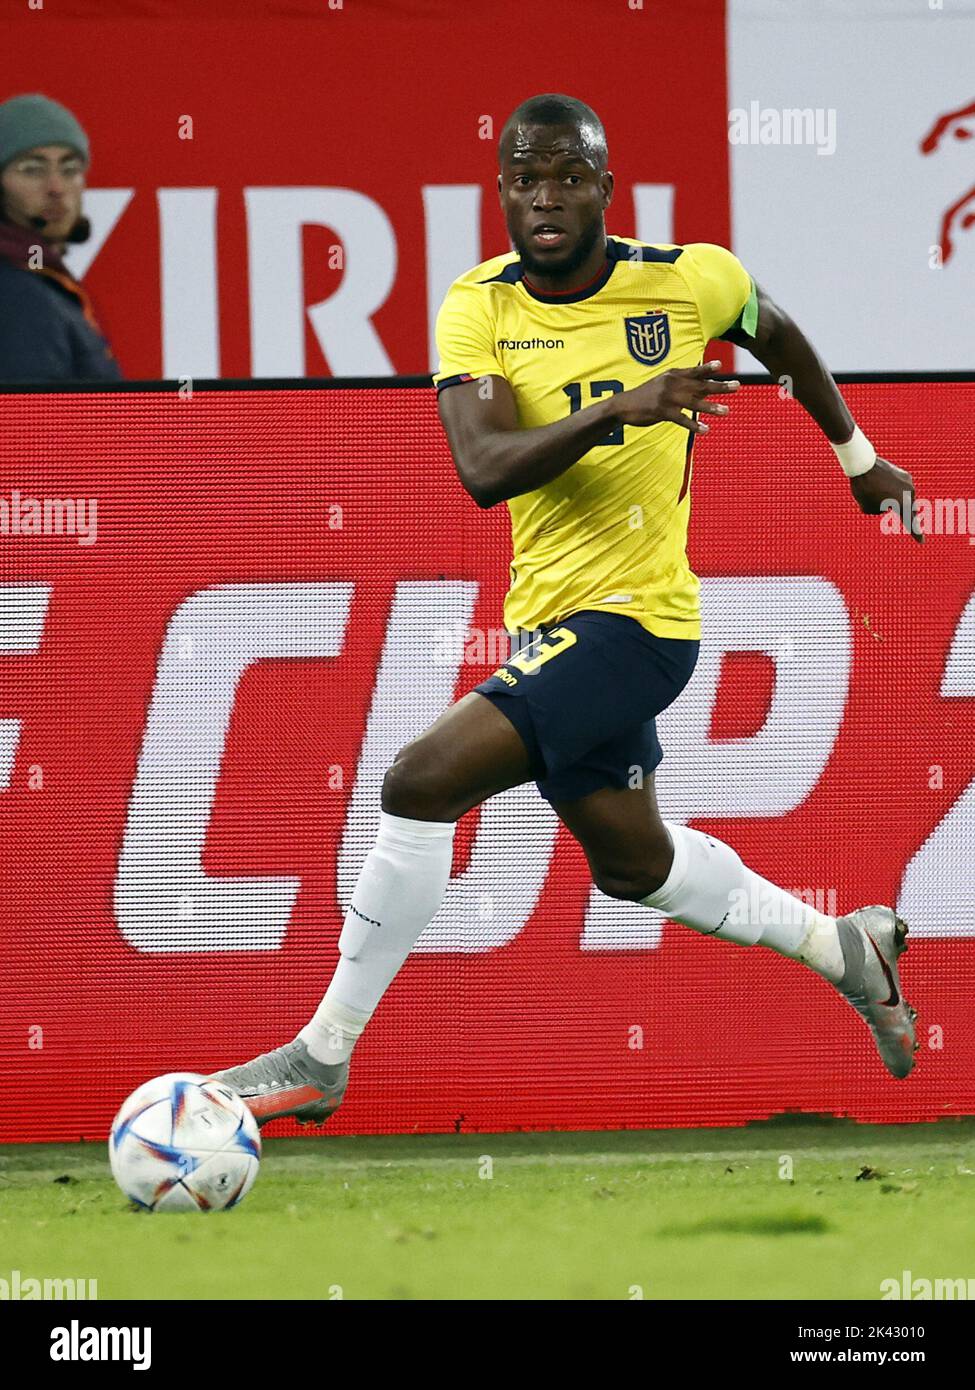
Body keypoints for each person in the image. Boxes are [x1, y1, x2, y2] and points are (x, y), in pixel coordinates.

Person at [213, 93, 920, 1125]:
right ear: (502, 191)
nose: (544, 199)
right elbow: (482, 468)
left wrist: (856, 458)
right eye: (524, 180)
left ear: (604, 188)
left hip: (641, 628)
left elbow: (782, 334)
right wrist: (614, 410)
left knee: (418, 782)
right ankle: (842, 945)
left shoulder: (687, 281)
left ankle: (322, 1056)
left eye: (567, 178)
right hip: (554, 621)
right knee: (639, 865)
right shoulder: (479, 306)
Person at [0, 93, 121, 383]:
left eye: (70, 169)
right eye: (32, 170)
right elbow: (29, 424)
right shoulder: (16, 293)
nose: (56, 187)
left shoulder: (41, 283)